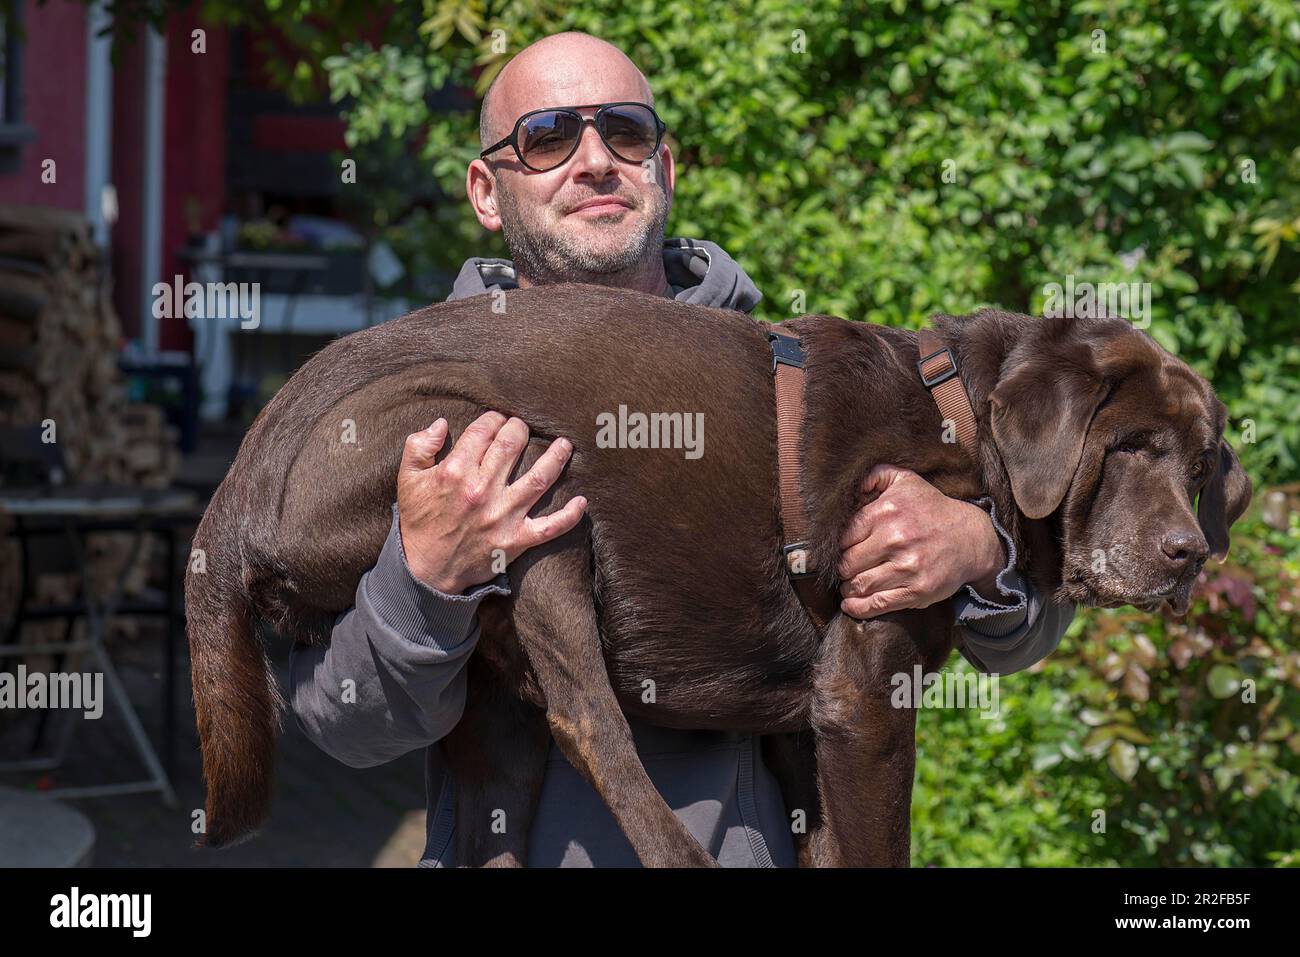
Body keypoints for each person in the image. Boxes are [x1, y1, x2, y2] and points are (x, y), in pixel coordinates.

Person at [288, 31, 1075, 867]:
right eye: (549, 136)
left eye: (625, 131)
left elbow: (1019, 639)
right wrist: (425, 580)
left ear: (664, 170)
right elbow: (348, 727)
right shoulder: (420, 412)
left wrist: (979, 551)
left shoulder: (792, 377)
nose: (595, 160)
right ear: (487, 190)